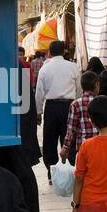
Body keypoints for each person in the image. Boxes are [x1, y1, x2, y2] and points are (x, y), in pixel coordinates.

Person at [35, 40, 81, 181]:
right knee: (69, 138)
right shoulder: (73, 67)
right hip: (69, 106)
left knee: (50, 140)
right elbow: (79, 89)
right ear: (64, 51)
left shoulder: (45, 69)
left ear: (49, 52)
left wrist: (38, 112)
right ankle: (71, 169)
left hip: (51, 108)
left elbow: (39, 92)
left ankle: (52, 172)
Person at [61, 70, 100, 165]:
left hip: (83, 148)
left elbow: (71, 130)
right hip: (100, 147)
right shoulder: (101, 102)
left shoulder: (75, 104)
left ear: (82, 86)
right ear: (96, 85)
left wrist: (65, 148)